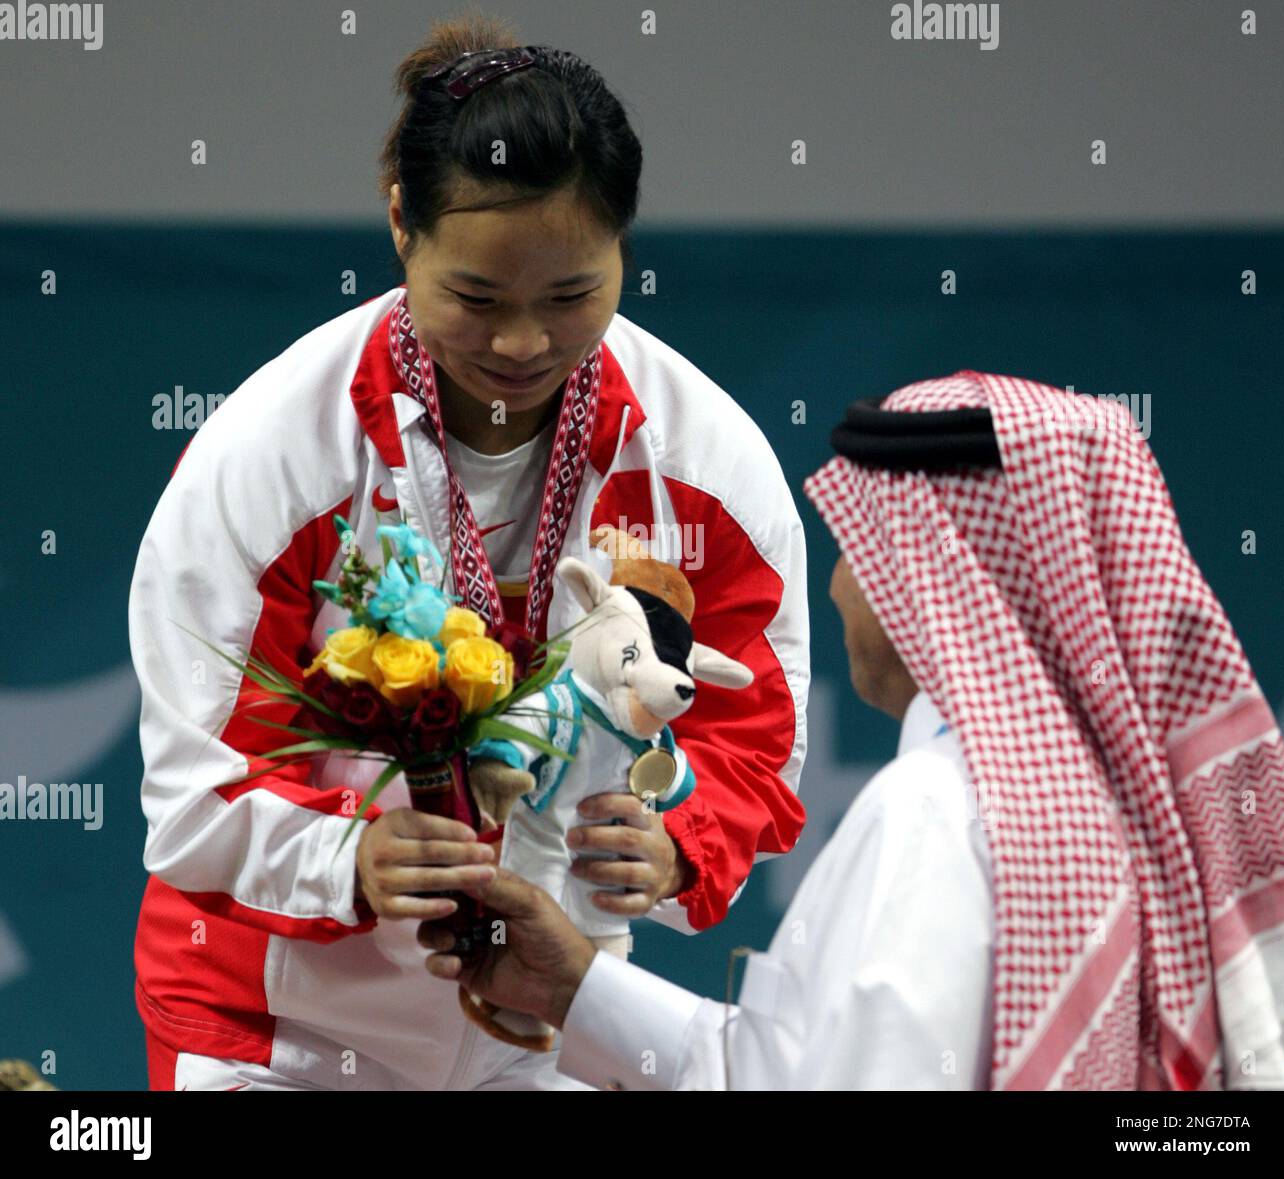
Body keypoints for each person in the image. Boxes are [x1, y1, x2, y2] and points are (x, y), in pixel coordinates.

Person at [127, 15, 809, 1091]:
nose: (523, 343)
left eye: (573, 295)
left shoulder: (707, 465)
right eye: (477, 298)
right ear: (401, 224)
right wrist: (349, 855)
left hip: (549, 1024)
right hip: (271, 1031)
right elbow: (195, 787)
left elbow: (754, 746)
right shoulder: (271, 456)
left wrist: (674, 839)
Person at [420, 371, 1284, 1091]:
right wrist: (573, 984)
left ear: (928, 578)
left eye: (860, 546)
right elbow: (804, 1072)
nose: (842, 587)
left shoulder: (934, 813)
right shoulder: (1152, 826)